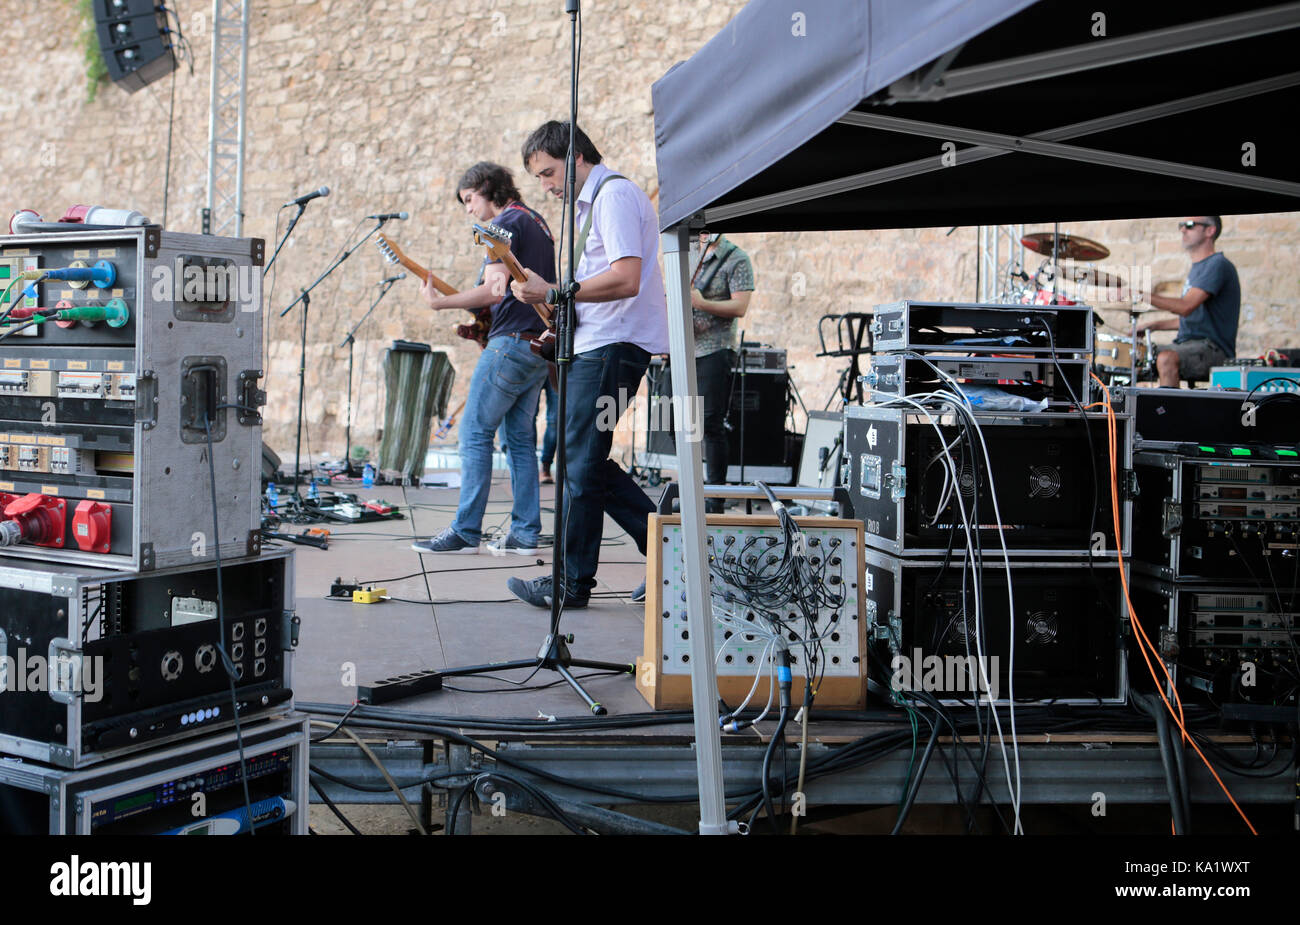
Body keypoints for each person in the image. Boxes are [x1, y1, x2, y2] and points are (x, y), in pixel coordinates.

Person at [508, 121, 669, 608]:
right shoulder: (590, 205)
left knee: (579, 461)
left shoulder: (613, 197)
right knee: (584, 461)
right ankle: (671, 553)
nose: (545, 186)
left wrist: (555, 291)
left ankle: (571, 584)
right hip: (602, 344)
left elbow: (626, 277)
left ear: (577, 156)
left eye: (548, 173)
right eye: (538, 178)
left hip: (612, 346)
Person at [411, 161, 555, 555]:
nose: (469, 210)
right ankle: (525, 534)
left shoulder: (502, 223)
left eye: (469, 199)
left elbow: (494, 289)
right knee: (521, 443)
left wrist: (441, 304)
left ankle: (465, 531)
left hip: (509, 344)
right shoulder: (537, 221)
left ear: (488, 189)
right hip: (537, 347)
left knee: (474, 434)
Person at [1134, 216, 1240, 387]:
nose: (1183, 229)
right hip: (1189, 344)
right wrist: (1153, 326)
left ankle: (1168, 412)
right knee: (1135, 356)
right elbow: (1192, 319)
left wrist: (1140, 295)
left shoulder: (1217, 264)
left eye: (1189, 225)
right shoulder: (1199, 267)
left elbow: (1185, 307)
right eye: (1181, 225)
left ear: (1210, 230)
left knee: (1166, 358)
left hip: (1214, 350)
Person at [691, 232, 754, 510]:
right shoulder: (688, 254)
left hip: (715, 350)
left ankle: (714, 499)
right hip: (682, 350)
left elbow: (740, 306)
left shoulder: (736, 258)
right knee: (672, 422)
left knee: (708, 423)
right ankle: (692, 493)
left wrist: (701, 303)